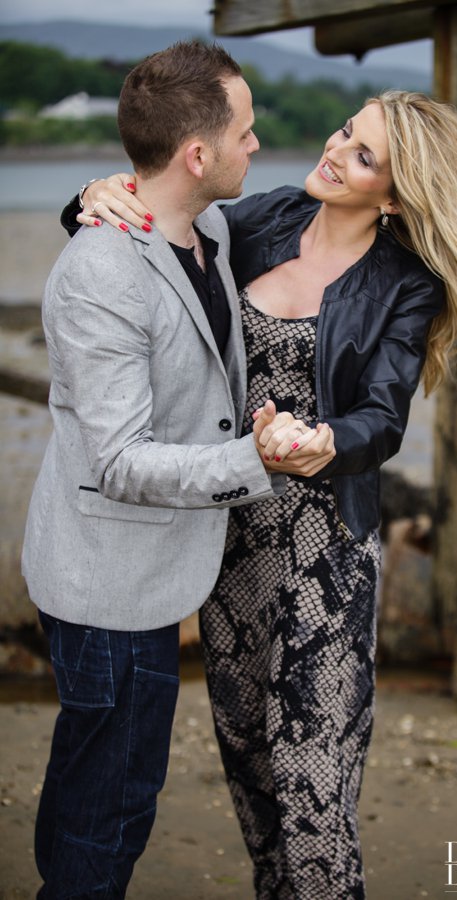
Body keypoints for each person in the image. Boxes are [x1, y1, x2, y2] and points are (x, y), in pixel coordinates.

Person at [66, 88, 457, 899]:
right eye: (345, 131)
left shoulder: (406, 283)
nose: (335, 151)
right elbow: (156, 233)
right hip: (228, 540)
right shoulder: (263, 219)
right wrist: (93, 195)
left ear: (397, 195)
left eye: (363, 156)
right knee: (257, 782)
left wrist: (328, 443)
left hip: (327, 548)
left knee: (313, 791)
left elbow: (383, 415)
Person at [23, 41, 335, 900]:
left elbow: (324, 210)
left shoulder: (214, 231)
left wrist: (85, 193)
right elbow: (120, 460)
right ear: (198, 153)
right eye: (245, 131)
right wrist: (255, 458)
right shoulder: (101, 272)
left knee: (90, 779)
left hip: (147, 575)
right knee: (113, 808)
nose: (258, 145)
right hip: (108, 584)